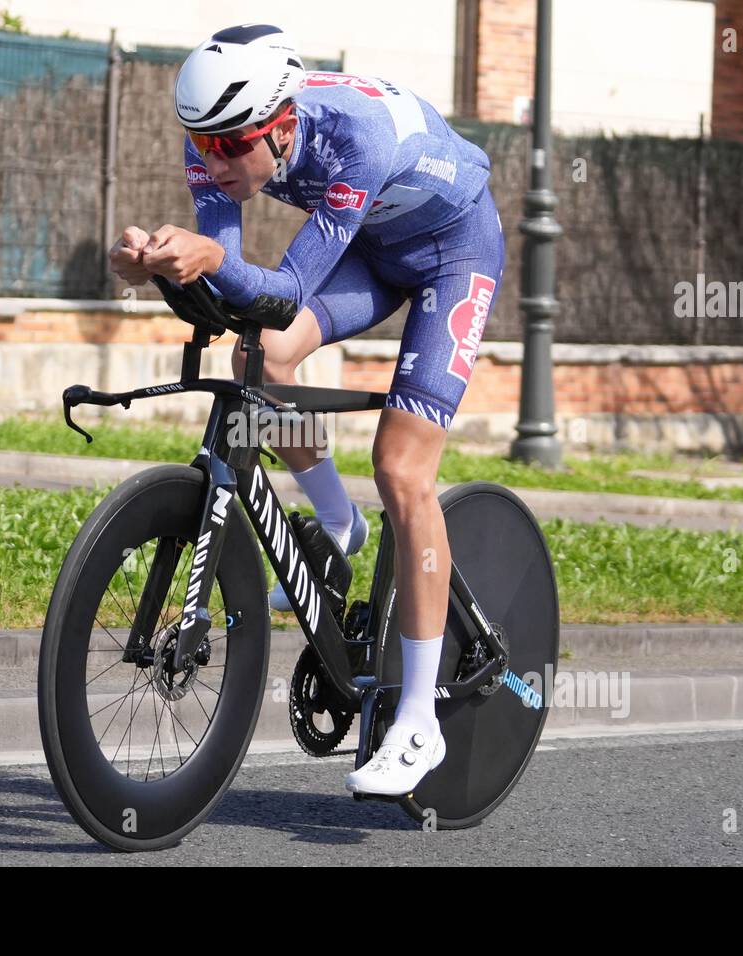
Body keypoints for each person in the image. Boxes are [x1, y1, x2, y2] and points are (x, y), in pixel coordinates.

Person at [108, 23, 504, 797]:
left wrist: (215, 257)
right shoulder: (220, 138)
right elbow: (232, 292)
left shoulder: (354, 141)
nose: (212, 162)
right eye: (201, 146)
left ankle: (418, 721)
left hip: (456, 248)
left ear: (283, 125)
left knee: (401, 467)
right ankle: (339, 526)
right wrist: (151, 264)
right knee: (259, 358)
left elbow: (283, 290)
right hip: (376, 247)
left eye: (231, 148)